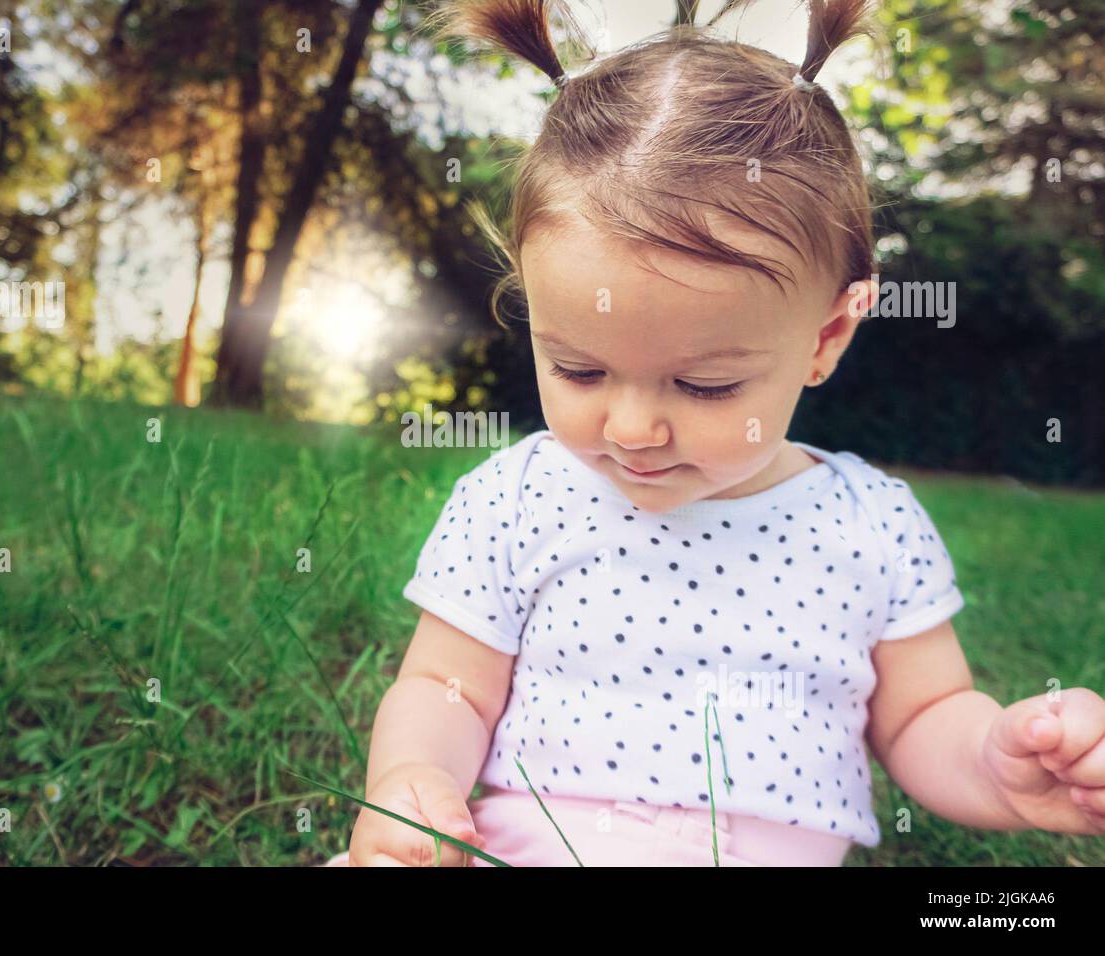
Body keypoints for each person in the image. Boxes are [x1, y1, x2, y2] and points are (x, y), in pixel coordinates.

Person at [324, 0, 1105, 866]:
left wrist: (999, 767)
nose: (632, 428)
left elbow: (925, 716)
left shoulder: (871, 525)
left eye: (705, 384)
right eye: (579, 369)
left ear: (827, 337)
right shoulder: (515, 500)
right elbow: (446, 688)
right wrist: (410, 783)